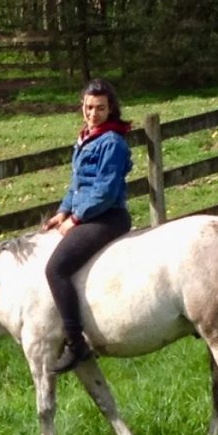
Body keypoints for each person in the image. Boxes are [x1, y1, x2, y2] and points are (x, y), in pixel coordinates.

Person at [42, 78, 134, 374]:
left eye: (100, 108)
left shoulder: (112, 142)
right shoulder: (87, 137)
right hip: (89, 213)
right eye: (89, 107)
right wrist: (62, 211)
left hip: (107, 217)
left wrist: (77, 219)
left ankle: (75, 341)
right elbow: (78, 185)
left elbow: (105, 191)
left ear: (111, 109)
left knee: (55, 269)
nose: (93, 113)